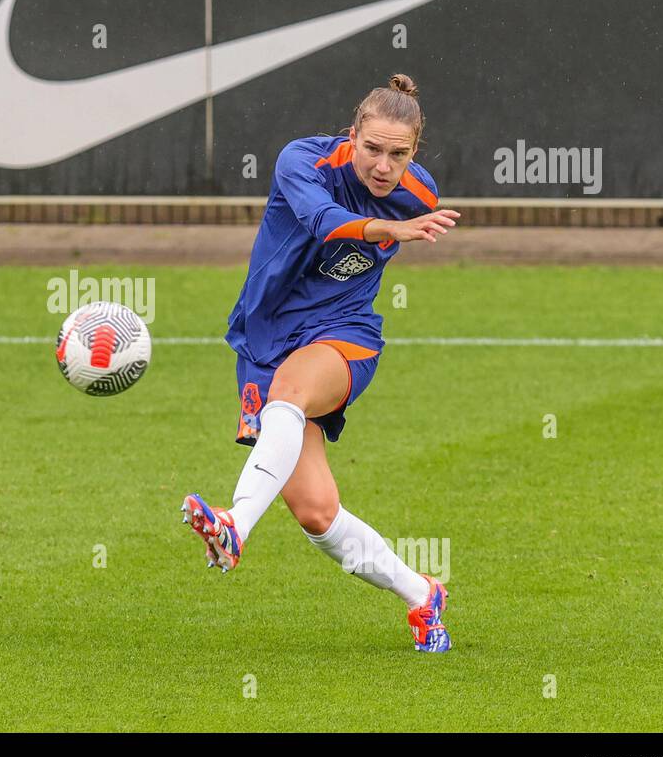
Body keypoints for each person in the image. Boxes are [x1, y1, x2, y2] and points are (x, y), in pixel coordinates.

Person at [182, 74, 459, 652]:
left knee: (290, 390)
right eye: (373, 149)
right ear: (351, 134)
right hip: (266, 337)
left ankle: (234, 525)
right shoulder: (300, 162)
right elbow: (323, 222)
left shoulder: (419, 194)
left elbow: (398, 215)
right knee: (315, 513)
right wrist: (389, 228)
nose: (384, 166)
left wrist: (397, 221)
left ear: (415, 152)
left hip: (344, 334)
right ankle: (423, 594)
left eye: (399, 154)